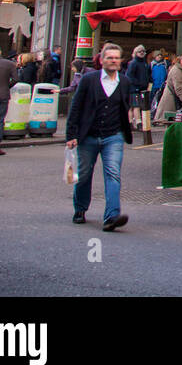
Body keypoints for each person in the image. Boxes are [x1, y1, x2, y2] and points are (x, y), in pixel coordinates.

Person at [65, 43, 133, 231]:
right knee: (85, 173)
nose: (113, 61)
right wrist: (71, 134)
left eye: (116, 58)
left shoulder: (125, 82)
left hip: (114, 136)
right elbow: (76, 107)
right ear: (101, 60)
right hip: (89, 135)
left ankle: (111, 216)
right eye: (109, 57)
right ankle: (80, 209)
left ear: (121, 61)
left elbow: (123, 107)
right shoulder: (89, 80)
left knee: (113, 174)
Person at [154, 52, 182, 123]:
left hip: (174, 99)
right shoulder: (177, 71)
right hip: (170, 102)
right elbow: (179, 90)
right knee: (169, 125)